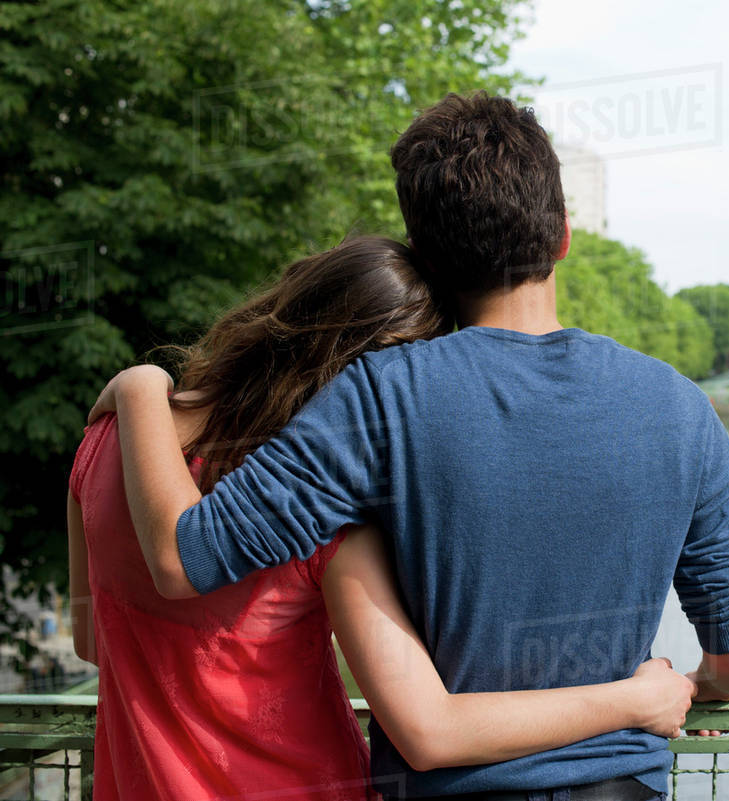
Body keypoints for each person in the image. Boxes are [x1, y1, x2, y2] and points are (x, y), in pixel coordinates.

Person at [90, 93, 729, 801]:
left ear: (428, 262)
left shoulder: (378, 397)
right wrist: (679, 690)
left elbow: (181, 557)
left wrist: (142, 386)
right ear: (563, 235)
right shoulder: (683, 410)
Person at [69, 238, 696, 801]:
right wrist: (636, 699)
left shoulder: (101, 449)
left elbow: (89, 639)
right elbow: (429, 729)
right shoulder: (332, 526)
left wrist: (139, 386)